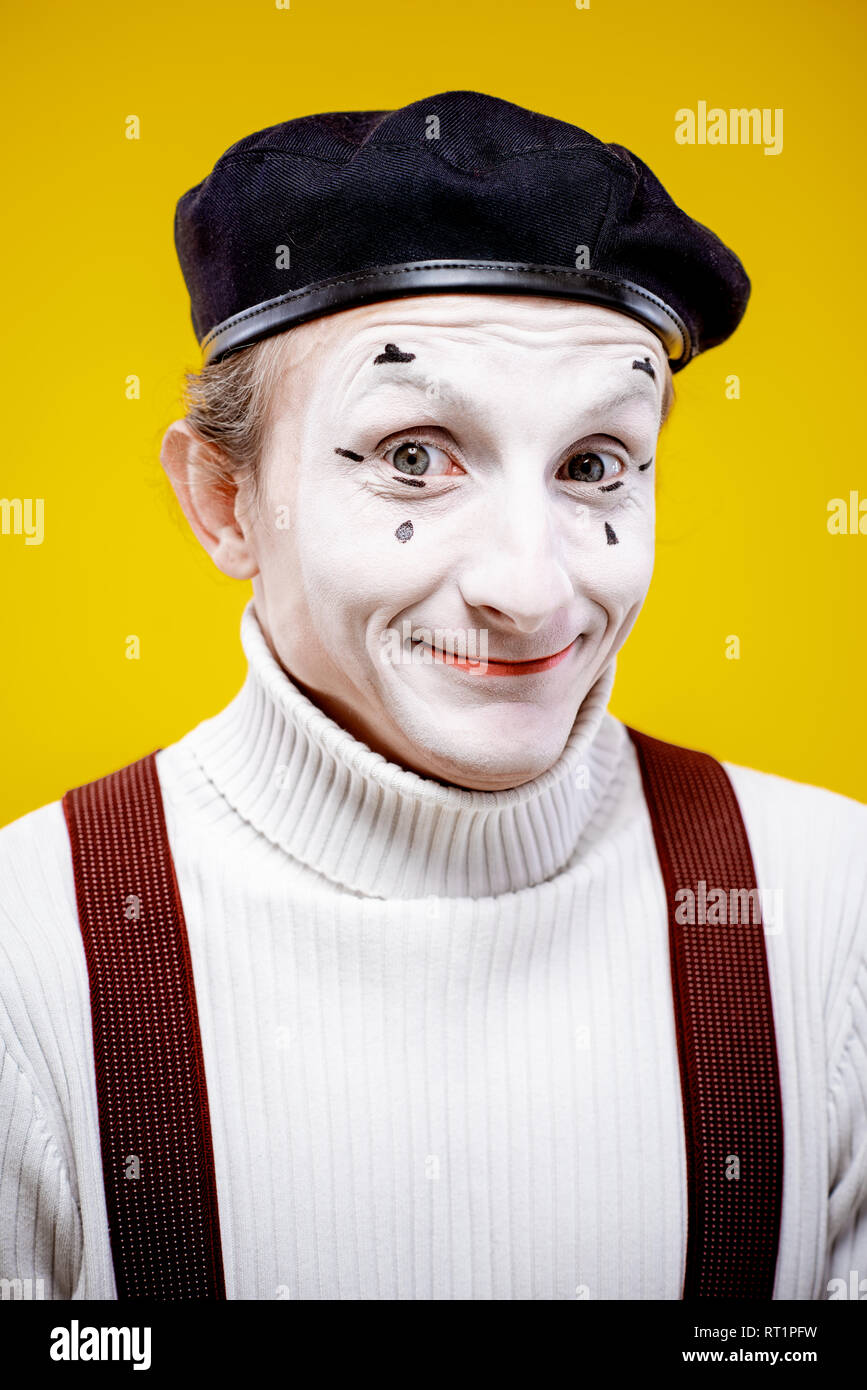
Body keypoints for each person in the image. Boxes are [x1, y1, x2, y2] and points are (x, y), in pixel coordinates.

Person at [1, 90, 864, 1302]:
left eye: (595, 464)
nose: (531, 586)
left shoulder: (832, 917)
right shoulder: (26, 958)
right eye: (414, 455)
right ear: (223, 500)